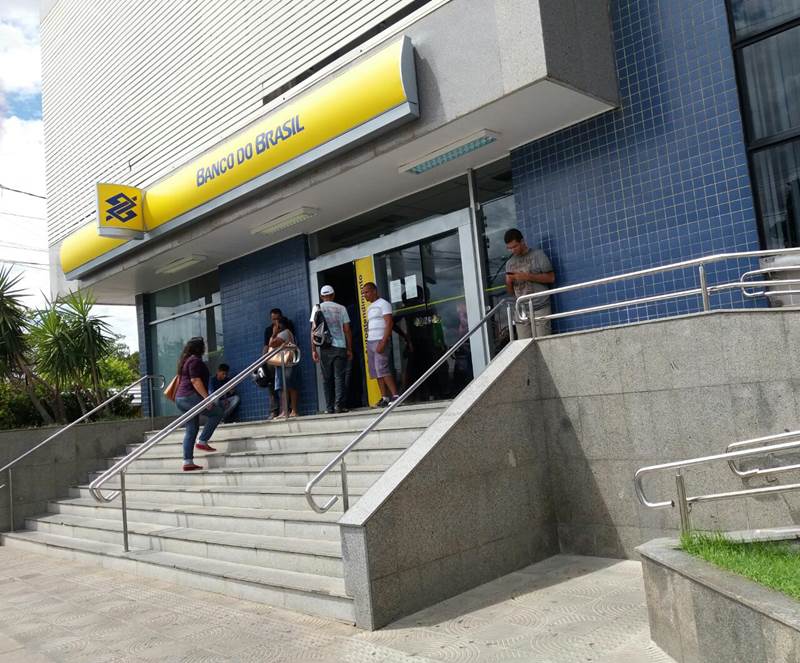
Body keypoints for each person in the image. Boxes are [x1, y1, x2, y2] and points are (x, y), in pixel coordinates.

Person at [174, 337, 224, 471]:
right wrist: (207, 399)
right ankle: (202, 441)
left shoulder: (186, 360)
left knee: (191, 429)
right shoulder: (195, 361)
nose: (205, 347)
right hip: (189, 397)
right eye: (204, 345)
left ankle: (188, 462)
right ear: (199, 348)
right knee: (217, 412)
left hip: (181, 399)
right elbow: (195, 380)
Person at [504, 228, 555, 338]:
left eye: (515, 246)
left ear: (522, 241)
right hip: (521, 310)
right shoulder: (509, 263)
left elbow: (551, 278)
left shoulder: (538, 255)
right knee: (524, 345)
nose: (512, 250)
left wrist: (527, 276)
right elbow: (510, 293)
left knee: (542, 343)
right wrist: (508, 282)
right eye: (509, 248)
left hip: (540, 307)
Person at [310, 285, 353, 414]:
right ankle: (338, 406)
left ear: (321, 296)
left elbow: (313, 330)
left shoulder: (317, 308)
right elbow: (347, 330)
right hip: (340, 346)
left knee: (326, 378)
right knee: (339, 377)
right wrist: (349, 348)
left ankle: (329, 408)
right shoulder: (342, 308)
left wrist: (313, 350)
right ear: (333, 295)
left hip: (325, 348)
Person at [360, 281, 399, 407]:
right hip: (371, 341)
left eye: (367, 292)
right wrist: (368, 344)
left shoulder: (384, 304)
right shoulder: (369, 308)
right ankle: (384, 397)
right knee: (375, 371)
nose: (365, 295)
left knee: (382, 368)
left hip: (380, 340)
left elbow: (389, 323)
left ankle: (396, 396)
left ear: (374, 291)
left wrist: (383, 340)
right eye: (363, 293)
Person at [263, 308, 293, 418]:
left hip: (283, 359)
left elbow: (273, 343)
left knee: (283, 384)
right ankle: (275, 410)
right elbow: (266, 346)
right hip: (273, 360)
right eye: (273, 319)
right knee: (273, 385)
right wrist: (264, 361)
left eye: (277, 319)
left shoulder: (286, 328)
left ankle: (286, 410)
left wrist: (274, 334)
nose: (275, 321)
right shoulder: (268, 329)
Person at [269, 316, 299, 418]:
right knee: (289, 387)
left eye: (276, 323)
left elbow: (271, 344)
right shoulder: (288, 332)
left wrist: (273, 334)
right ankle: (289, 411)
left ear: (280, 324)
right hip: (288, 363)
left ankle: (287, 411)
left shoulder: (284, 333)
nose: (274, 325)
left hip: (285, 364)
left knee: (285, 387)